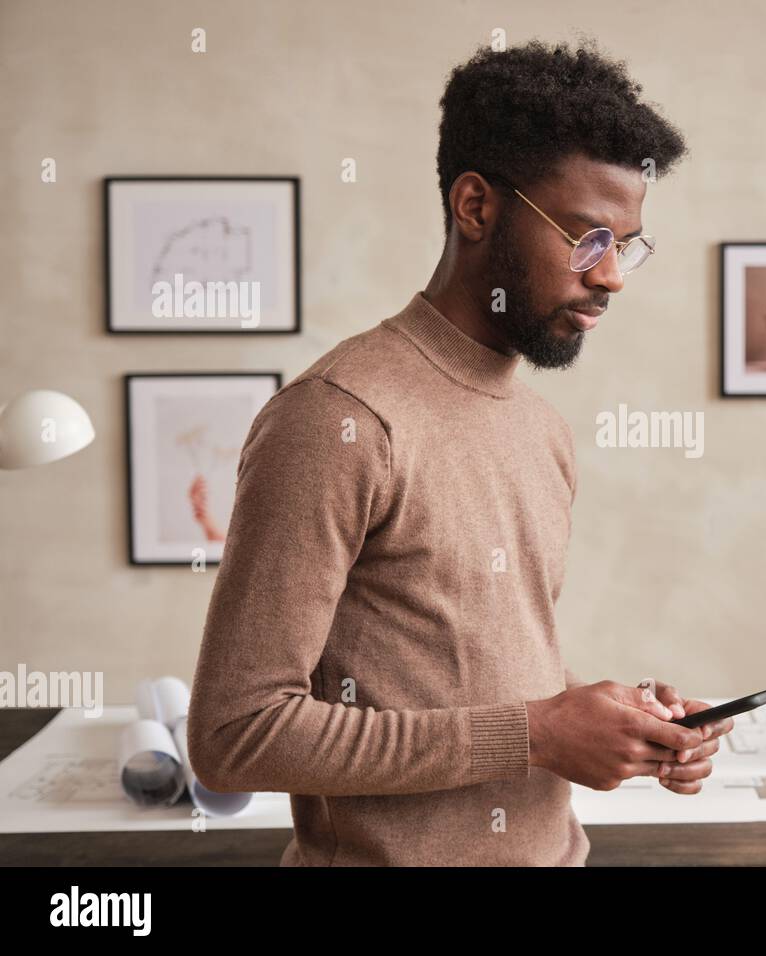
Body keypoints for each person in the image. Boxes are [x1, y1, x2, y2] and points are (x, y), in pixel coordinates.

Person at [186, 38, 733, 866]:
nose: (613, 275)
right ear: (476, 206)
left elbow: (473, 670)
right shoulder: (337, 419)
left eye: (628, 244)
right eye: (588, 238)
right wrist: (537, 733)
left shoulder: (540, 427)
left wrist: (624, 725)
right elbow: (236, 734)